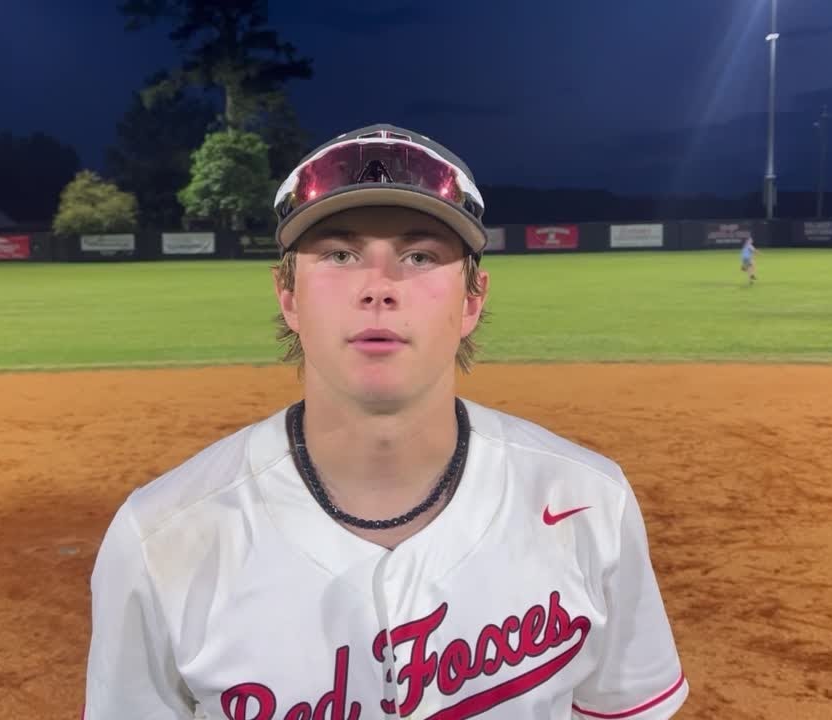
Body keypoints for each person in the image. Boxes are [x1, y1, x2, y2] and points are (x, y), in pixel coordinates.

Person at [83, 124, 689, 720]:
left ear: (473, 299)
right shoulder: (160, 538)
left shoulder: (588, 502)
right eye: (341, 254)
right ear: (288, 296)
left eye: (419, 254)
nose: (379, 288)